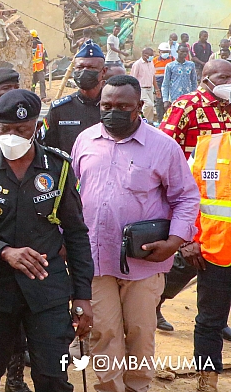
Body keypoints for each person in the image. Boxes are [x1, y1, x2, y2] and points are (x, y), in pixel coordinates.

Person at [71, 75, 201, 392]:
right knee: (104, 332)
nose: (112, 111)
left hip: (143, 260)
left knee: (141, 331)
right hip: (94, 258)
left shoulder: (163, 147)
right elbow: (71, 195)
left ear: (139, 107)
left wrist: (174, 241)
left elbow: (186, 197)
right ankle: (111, 388)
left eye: (122, 106)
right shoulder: (85, 141)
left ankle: (138, 387)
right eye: (107, 105)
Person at [0, 89, 93, 392]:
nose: (12, 136)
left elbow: (77, 233)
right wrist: (3, 252)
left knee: (52, 377)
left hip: (47, 291)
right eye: (4, 129)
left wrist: (82, 296)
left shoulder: (58, 168)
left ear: (36, 127)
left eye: (21, 130)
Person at [184, 130, 231, 391]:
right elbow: (185, 196)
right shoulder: (207, 147)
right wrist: (187, 239)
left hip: (216, 251)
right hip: (215, 254)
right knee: (209, 323)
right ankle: (207, 383)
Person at [40, 39, 106, 155]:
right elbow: (44, 146)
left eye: (91, 68)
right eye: (80, 68)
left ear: (103, 71)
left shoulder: (113, 108)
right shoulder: (60, 109)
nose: (84, 72)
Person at [159, 59, 231, 159]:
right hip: (190, 172)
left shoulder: (226, 106)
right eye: (224, 77)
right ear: (206, 80)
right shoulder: (186, 105)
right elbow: (163, 145)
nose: (229, 82)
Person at [162, 44, 198, 111]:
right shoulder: (170, 66)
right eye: (182, 51)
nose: (184, 53)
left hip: (188, 96)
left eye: (186, 52)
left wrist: (194, 96)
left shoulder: (191, 65)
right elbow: (165, 84)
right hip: (175, 96)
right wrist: (165, 100)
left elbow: (194, 82)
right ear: (177, 51)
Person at [129, 47, 159, 122]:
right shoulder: (137, 64)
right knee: (148, 104)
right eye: (151, 55)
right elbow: (133, 78)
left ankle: (149, 122)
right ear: (145, 55)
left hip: (150, 88)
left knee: (151, 108)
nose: (152, 57)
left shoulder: (151, 63)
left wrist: (157, 89)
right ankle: (140, 119)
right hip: (141, 88)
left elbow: (153, 76)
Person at [153, 42, 175, 121]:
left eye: (167, 52)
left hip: (170, 83)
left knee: (169, 101)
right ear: (159, 52)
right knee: (159, 102)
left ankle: (169, 120)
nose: (165, 53)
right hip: (159, 84)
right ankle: (160, 120)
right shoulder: (154, 60)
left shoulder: (172, 59)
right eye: (163, 52)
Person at [30, 30, 49, 101]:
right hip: (31, 69)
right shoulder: (27, 46)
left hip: (39, 67)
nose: (33, 40)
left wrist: (45, 66)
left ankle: (43, 97)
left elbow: (44, 57)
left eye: (34, 38)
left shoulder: (40, 45)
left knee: (42, 81)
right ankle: (32, 95)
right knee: (33, 83)